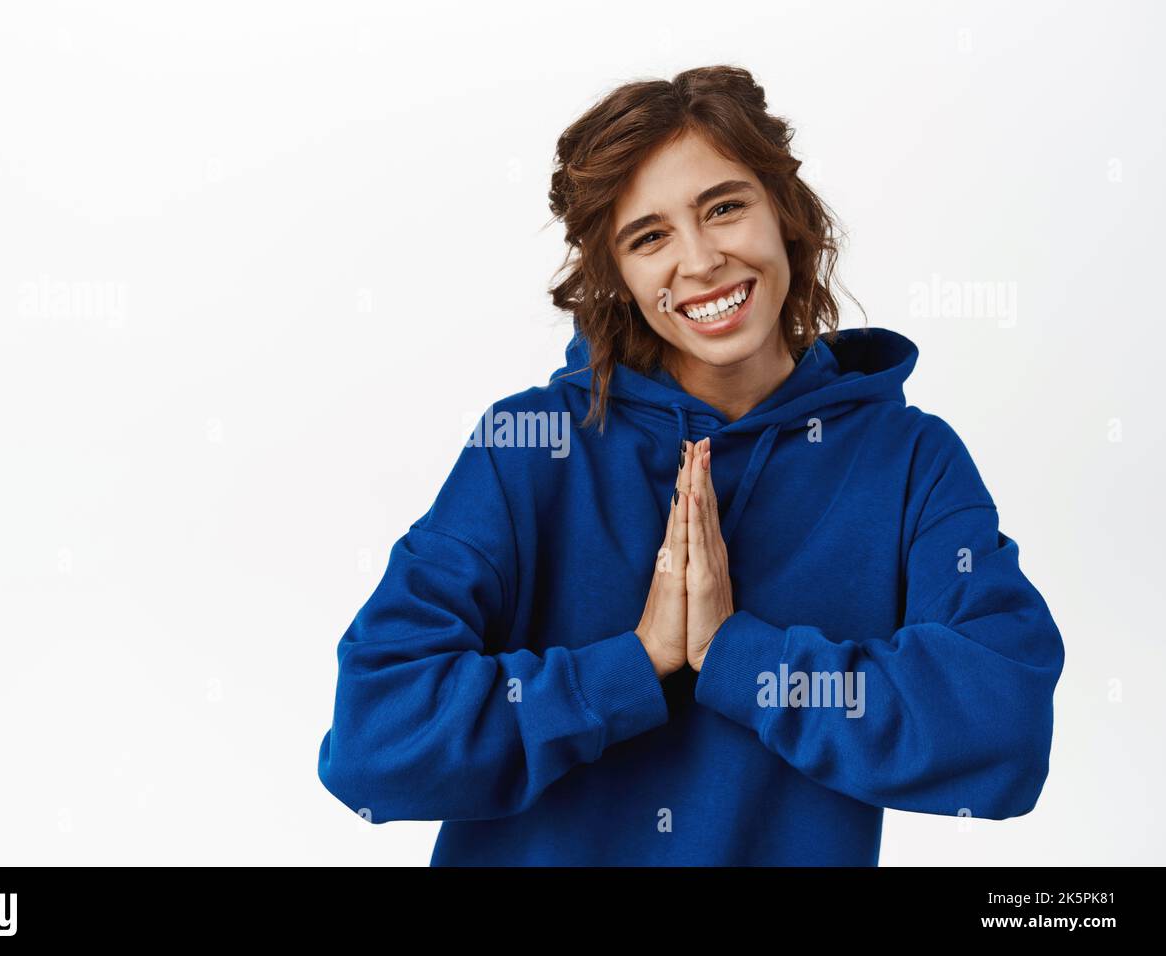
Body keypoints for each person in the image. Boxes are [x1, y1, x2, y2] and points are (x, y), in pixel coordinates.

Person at [316, 65, 1065, 866]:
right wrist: (632, 668)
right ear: (617, 278)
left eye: (725, 207)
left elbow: (1004, 729)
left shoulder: (909, 461)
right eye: (650, 237)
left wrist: (744, 659)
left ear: (784, 212)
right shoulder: (530, 448)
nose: (701, 260)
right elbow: (373, 740)